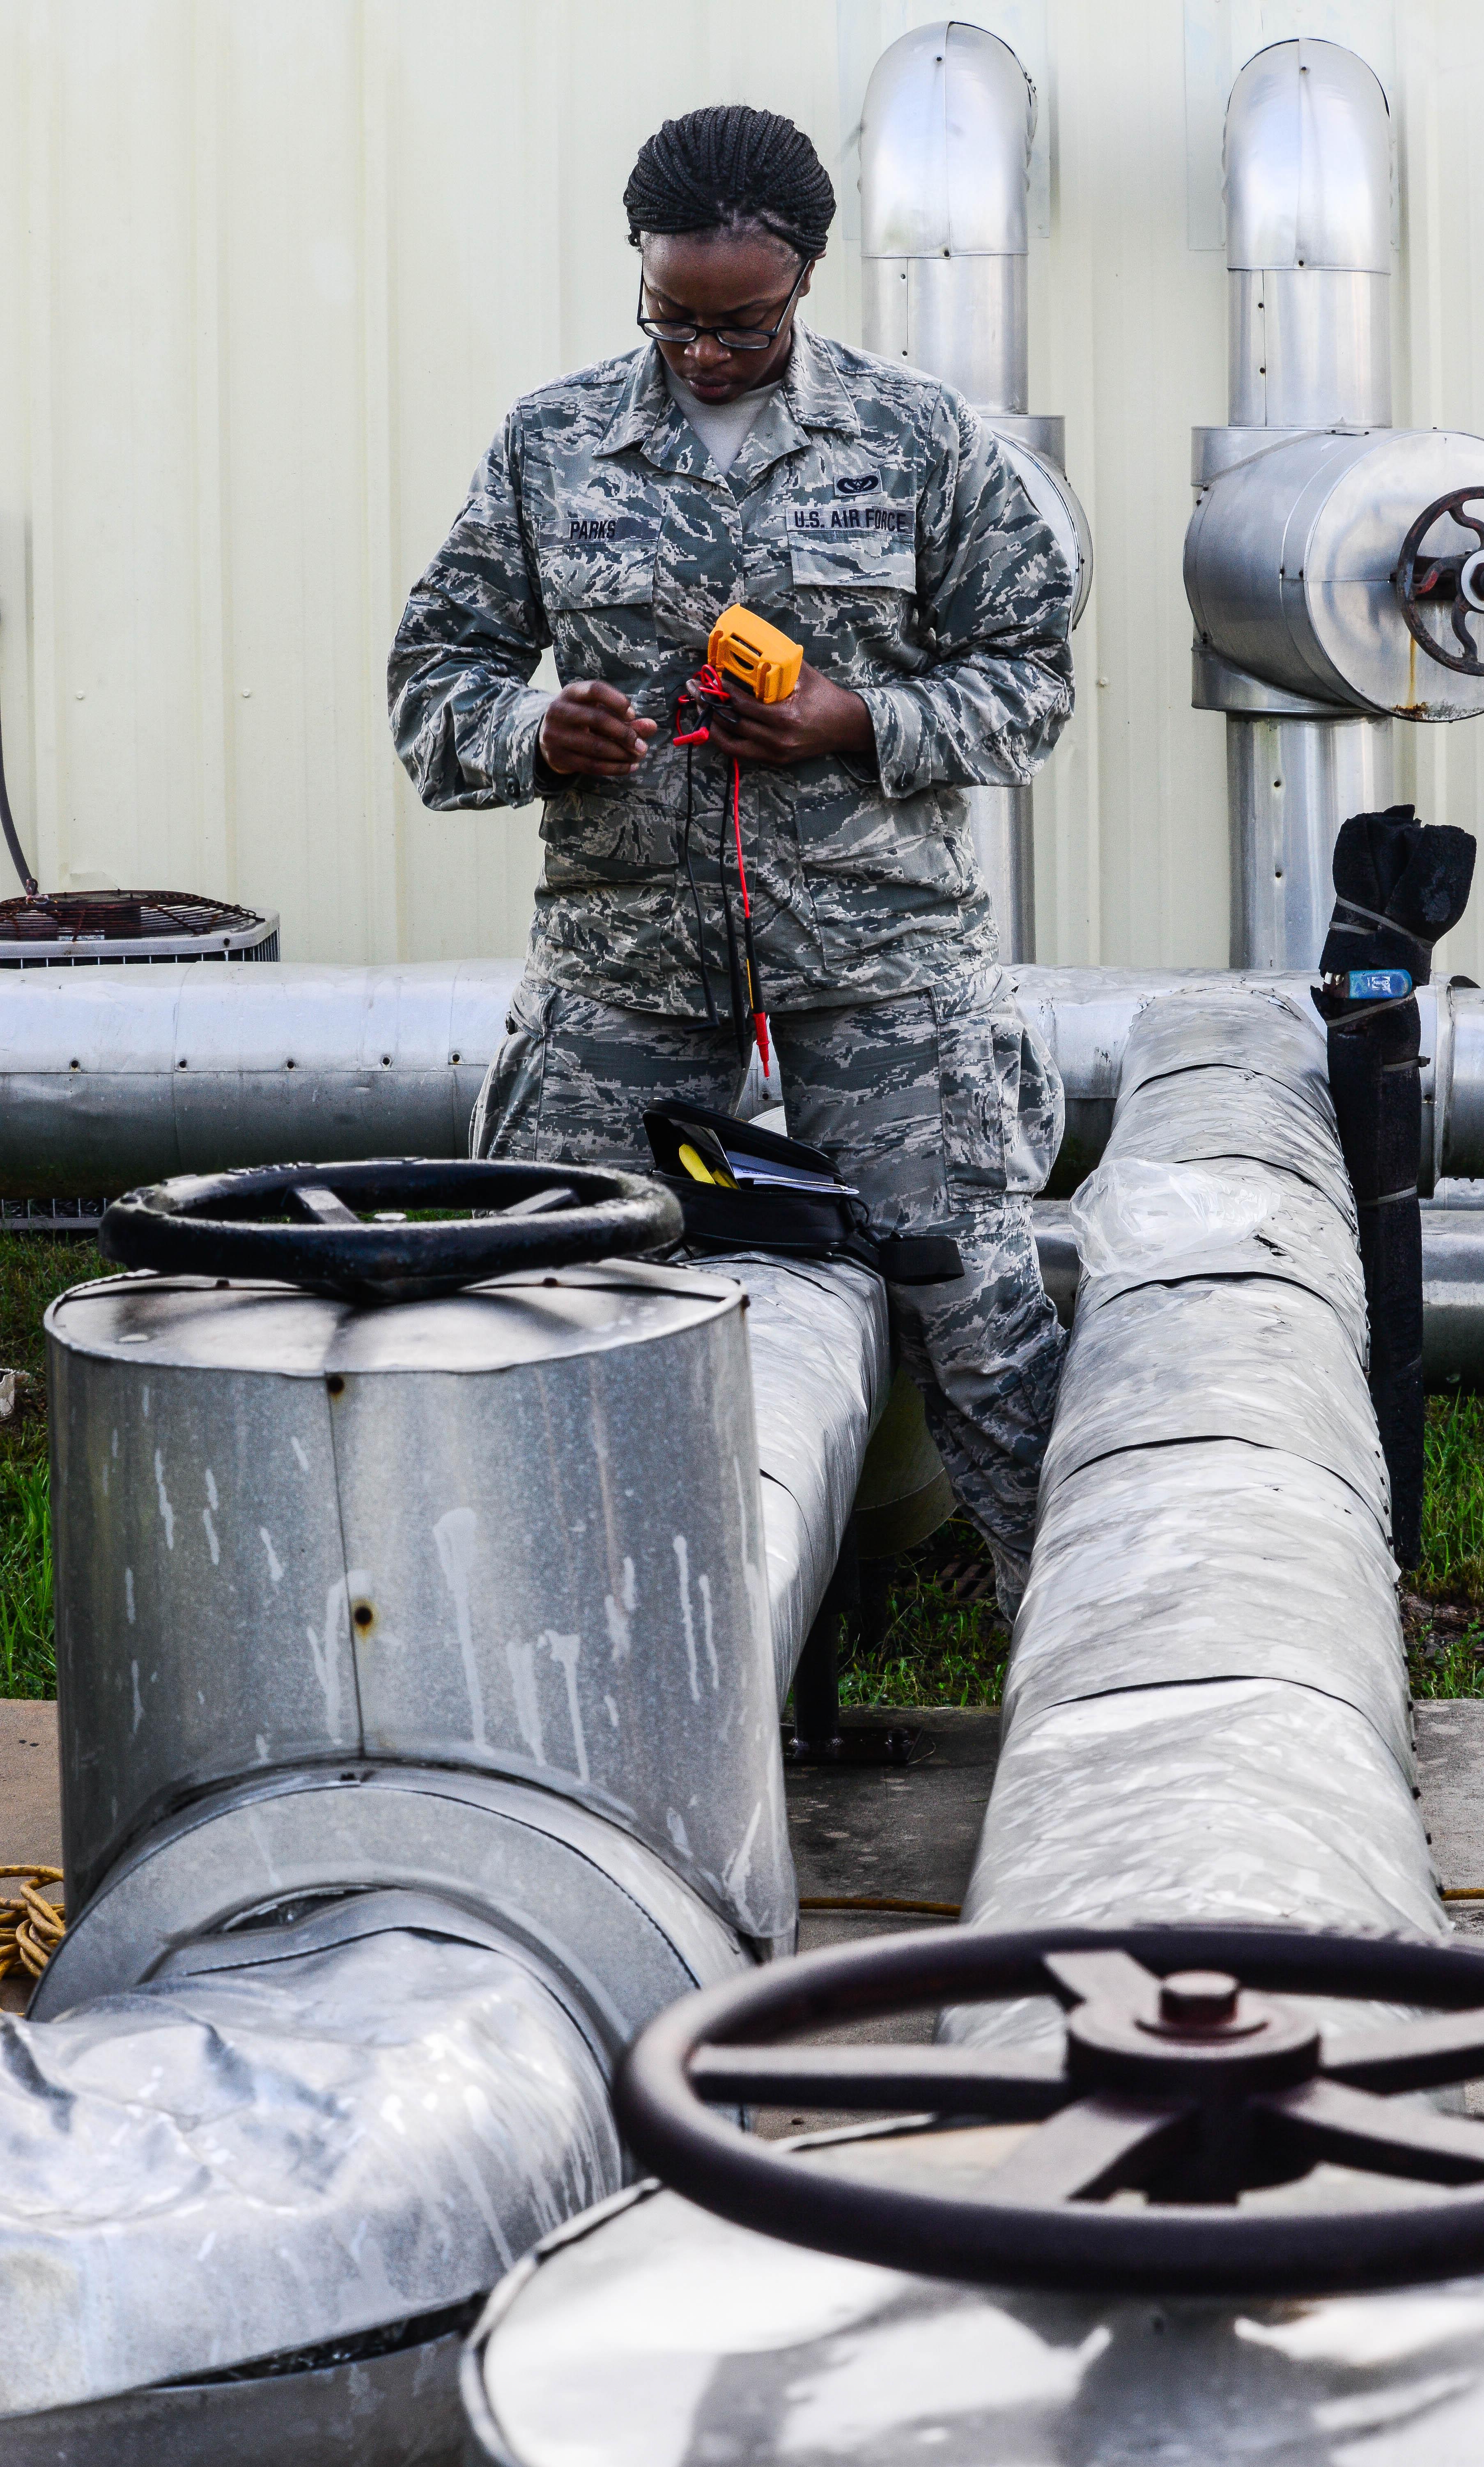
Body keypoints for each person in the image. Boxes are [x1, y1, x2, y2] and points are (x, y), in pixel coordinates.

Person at [389, 105, 1075, 1613]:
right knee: (540, 1305)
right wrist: (531, 731)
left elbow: (1032, 682)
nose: (703, 352)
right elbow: (434, 678)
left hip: (884, 963)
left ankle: (1087, 1694)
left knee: (979, 1323)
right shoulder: (551, 444)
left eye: (742, 326)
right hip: (623, 969)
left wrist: (859, 719)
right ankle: (537, 1656)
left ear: (808, 282)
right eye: (673, 319)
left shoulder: (922, 441)